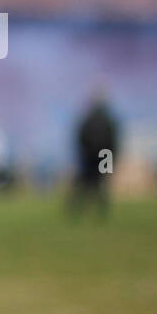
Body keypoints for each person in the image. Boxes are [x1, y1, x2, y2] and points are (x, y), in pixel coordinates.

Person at [68, 92, 120, 220]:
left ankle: (77, 208)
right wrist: (113, 156)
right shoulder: (109, 119)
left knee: (84, 182)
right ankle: (101, 211)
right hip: (105, 155)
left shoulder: (87, 118)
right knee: (102, 182)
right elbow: (114, 140)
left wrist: (84, 152)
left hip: (89, 155)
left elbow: (80, 137)